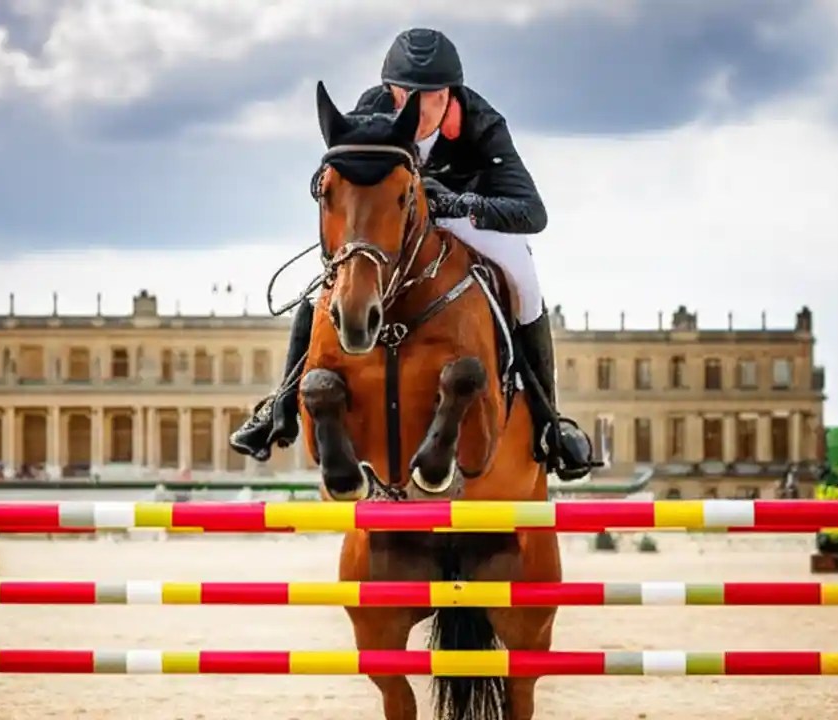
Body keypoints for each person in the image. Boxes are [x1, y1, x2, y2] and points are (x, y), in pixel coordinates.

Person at [229, 27, 594, 480]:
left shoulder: (483, 124)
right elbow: (346, 175)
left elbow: (531, 212)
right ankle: (280, 405)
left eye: (434, 96)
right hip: (392, 226)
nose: (420, 108)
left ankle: (549, 421)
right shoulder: (371, 110)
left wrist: (462, 204)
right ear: (391, 92)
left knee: (525, 282)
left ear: (451, 93)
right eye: (408, 95)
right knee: (331, 281)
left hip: (465, 219)